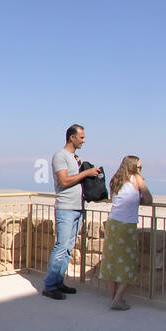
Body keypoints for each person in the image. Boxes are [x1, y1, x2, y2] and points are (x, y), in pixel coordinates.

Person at [42, 123, 100, 299]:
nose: (84, 140)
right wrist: (86, 173)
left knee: (68, 248)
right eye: (81, 137)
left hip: (77, 207)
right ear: (72, 137)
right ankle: (50, 286)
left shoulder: (74, 157)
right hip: (66, 208)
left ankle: (59, 282)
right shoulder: (60, 156)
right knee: (61, 247)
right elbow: (64, 181)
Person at [101, 156, 155, 310]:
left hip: (113, 224)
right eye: (139, 167)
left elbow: (115, 199)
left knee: (111, 261)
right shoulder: (137, 179)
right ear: (132, 167)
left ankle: (113, 299)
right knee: (129, 262)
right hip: (127, 226)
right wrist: (139, 200)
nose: (140, 170)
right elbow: (149, 199)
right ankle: (117, 299)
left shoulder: (115, 179)